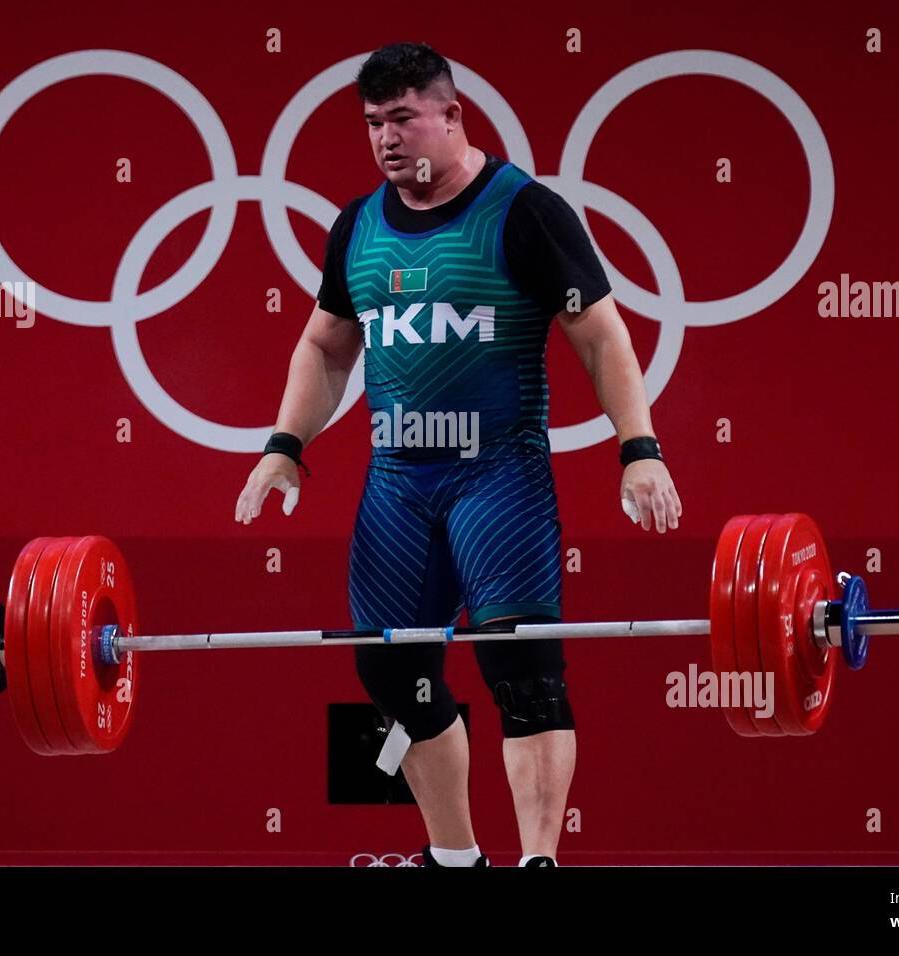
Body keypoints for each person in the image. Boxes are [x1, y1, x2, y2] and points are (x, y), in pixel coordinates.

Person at [234, 42, 682, 867]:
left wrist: (639, 449)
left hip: (496, 479)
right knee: (389, 676)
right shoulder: (356, 226)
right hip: (398, 486)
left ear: (451, 115)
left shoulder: (525, 211)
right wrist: (284, 447)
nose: (387, 139)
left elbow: (601, 336)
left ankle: (540, 861)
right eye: (373, 123)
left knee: (524, 672)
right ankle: (455, 858)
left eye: (403, 117)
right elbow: (326, 347)